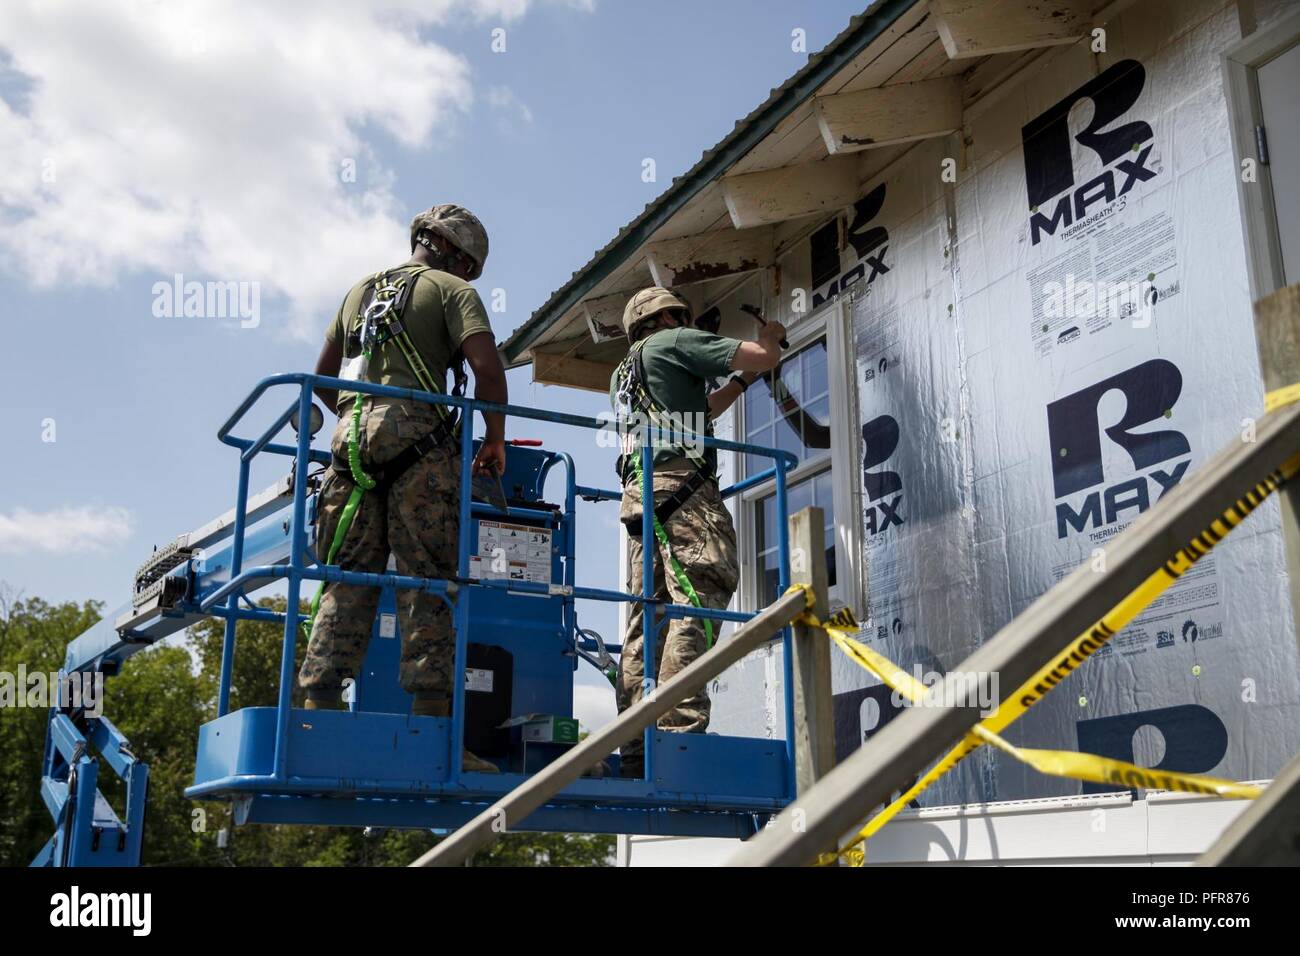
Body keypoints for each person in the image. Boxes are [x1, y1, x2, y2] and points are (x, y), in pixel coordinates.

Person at [299, 203, 508, 774]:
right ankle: (433, 730)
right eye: (470, 267)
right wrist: (494, 438)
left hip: (349, 446)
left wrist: (353, 420)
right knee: (428, 583)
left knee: (346, 580)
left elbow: (321, 374)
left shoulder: (358, 290)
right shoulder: (450, 291)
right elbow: (487, 370)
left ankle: (318, 716)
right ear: (460, 256)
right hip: (418, 440)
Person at [609, 286, 786, 778]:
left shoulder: (626, 371)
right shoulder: (674, 341)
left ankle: (636, 743)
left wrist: (746, 382)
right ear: (666, 315)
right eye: (679, 315)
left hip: (642, 494)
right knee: (702, 591)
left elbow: (697, 413)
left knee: (650, 617)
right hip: (684, 490)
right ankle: (678, 730)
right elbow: (763, 353)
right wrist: (769, 340)